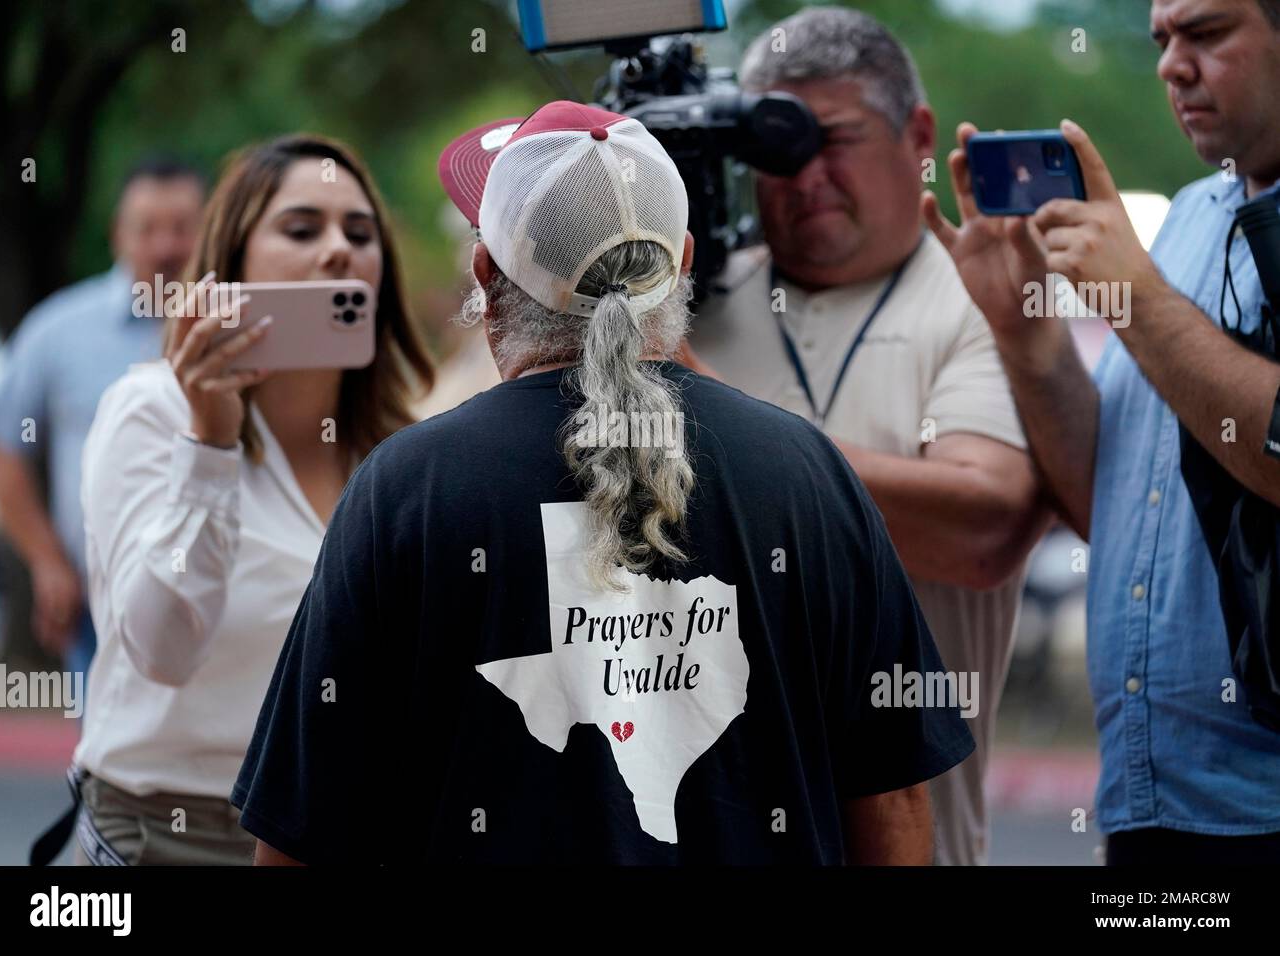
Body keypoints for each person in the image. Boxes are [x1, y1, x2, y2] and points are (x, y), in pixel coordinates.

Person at [232, 100, 974, 865]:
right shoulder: (808, 472)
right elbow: (894, 798)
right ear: (682, 263)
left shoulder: (403, 490)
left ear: (486, 274)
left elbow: (303, 830)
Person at [688, 7, 1051, 864]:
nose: (803, 173)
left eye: (833, 138)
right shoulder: (690, 303)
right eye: (775, 145)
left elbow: (982, 528)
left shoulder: (981, 291)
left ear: (916, 133)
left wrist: (707, 408)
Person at [923, 0, 1280, 864]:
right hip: (1150, 807)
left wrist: (1140, 299)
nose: (1170, 65)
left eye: (1206, 33)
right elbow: (1110, 504)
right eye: (1161, 40)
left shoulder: (1147, 256)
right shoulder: (1192, 213)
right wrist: (1022, 329)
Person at [68, 134, 434, 865]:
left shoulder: (399, 449)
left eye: (359, 234)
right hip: (173, 834)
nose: (339, 251)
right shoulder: (152, 412)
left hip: (342, 829)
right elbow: (163, 648)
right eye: (302, 229)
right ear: (230, 266)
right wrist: (210, 444)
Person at [0, 159, 204, 681]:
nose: (167, 246)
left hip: (228, 597)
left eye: (183, 227)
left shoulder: (248, 326)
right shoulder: (58, 331)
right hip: (98, 609)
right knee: (109, 758)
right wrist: (46, 560)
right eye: (147, 228)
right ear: (117, 235)